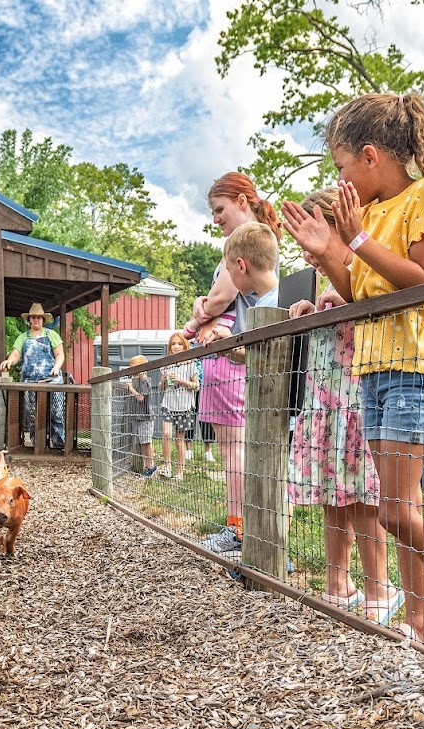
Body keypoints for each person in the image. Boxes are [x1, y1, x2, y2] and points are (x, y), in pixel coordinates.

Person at [282, 91, 424, 665]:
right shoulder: (371, 215)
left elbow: (422, 278)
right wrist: (329, 252)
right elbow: (358, 295)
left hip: (412, 369)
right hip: (373, 372)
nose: (340, 177)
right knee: (400, 511)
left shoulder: (423, 196)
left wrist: (352, 241)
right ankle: (419, 623)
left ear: (371, 156)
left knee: (396, 511)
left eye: (340, 166)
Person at [287, 189, 403, 624]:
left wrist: (345, 301)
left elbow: (370, 307)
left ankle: (378, 587)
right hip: (323, 408)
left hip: (357, 403)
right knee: (330, 497)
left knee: (364, 500)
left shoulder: (363, 270)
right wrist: (308, 308)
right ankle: (338, 582)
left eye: (315, 235)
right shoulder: (320, 278)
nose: (308, 250)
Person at [187, 172, 281, 554]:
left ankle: (241, 525)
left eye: (220, 209)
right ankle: (246, 525)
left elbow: (219, 299)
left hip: (236, 358)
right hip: (234, 354)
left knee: (237, 447)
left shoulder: (245, 246)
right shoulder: (246, 242)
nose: (216, 218)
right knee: (238, 446)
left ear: (243, 200)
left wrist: (197, 316)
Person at [0, 303, 66, 450]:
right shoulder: (23, 337)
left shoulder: (52, 335)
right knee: (32, 414)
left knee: (56, 412)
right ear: (29, 320)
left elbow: (60, 354)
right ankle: (38, 445)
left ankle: (59, 444)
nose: (36, 320)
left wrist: (56, 367)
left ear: (43, 320)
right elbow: (16, 353)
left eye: (39, 317)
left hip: (52, 380)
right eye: (33, 317)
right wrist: (9, 361)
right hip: (29, 381)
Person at [158, 332, 199, 480]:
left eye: (179, 344)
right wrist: (163, 380)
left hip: (184, 406)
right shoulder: (166, 363)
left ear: (185, 345)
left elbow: (196, 386)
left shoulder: (190, 363)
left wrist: (182, 380)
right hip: (168, 403)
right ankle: (167, 466)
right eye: (173, 344)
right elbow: (161, 388)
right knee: (167, 434)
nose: (176, 347)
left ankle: (180, 472)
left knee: (179, 439)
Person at [126, 355, 157, 476]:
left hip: (145, 417)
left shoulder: (145, 380)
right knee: (143, 442)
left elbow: (140, 397)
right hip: (139, 416)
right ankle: (147, 465)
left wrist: (131, 388)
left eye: (133, 368)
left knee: (146, 442)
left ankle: (151, 466)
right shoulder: (139, 380)